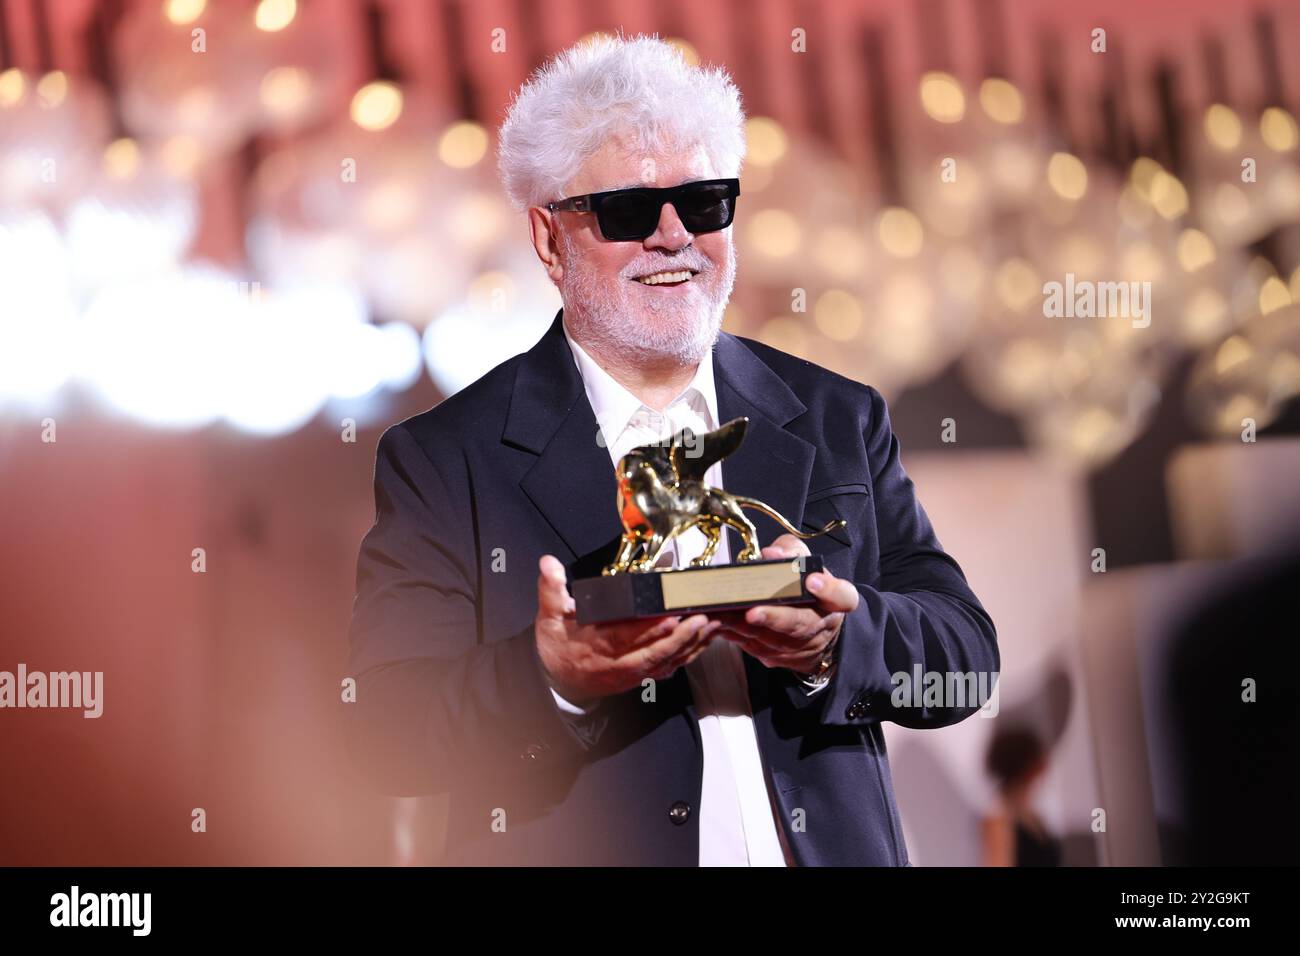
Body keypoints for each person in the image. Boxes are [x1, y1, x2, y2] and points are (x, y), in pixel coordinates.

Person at [345, 34, 998, 866]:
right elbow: (382, 729)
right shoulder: (446, 459)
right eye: (627, 210)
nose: (672, 235)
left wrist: (838, 643)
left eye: (703, 202)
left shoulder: (838, 416)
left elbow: (967, 667)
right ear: (549, 238)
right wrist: (553, 677)